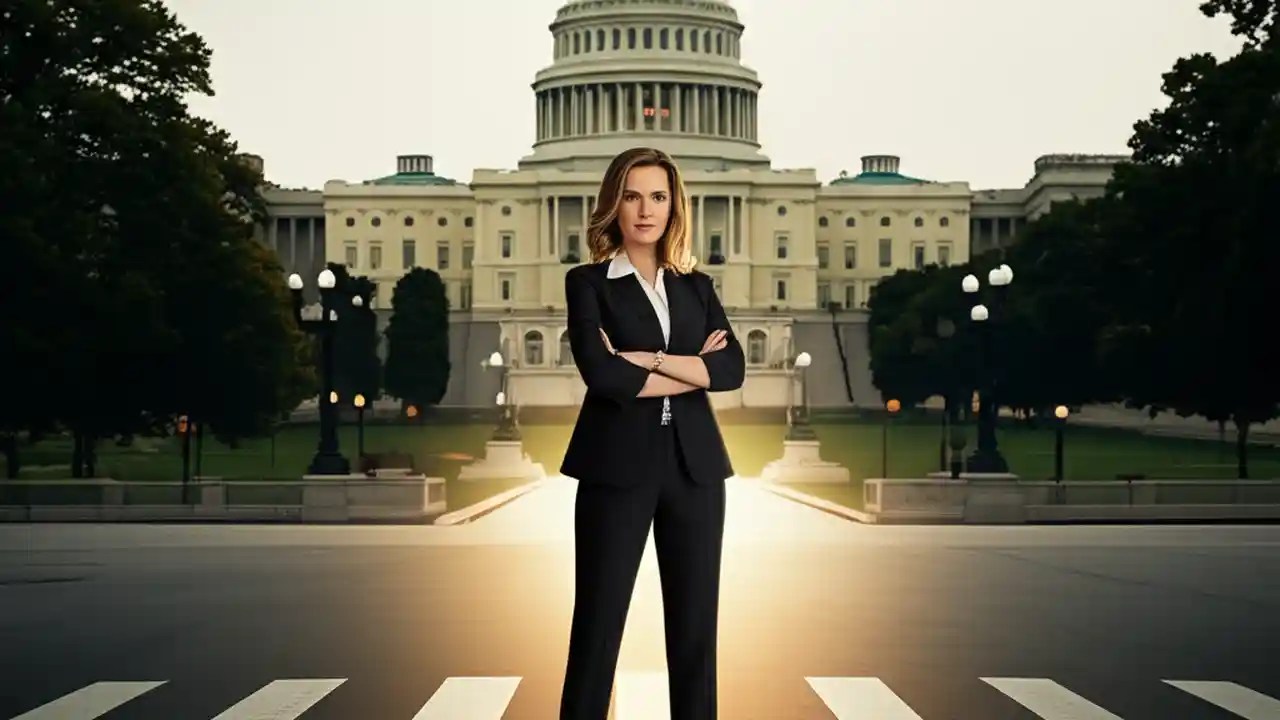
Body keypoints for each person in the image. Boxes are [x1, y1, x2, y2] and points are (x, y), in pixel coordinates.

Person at [558, 146, 745, 720]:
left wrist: (652, 359)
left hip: (696, 471)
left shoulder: (696, 286)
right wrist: (691, 368)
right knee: (598, 626)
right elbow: (604, 374)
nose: (645, 210)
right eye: (633, 196)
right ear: (614, 204)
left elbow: (732, 370)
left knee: (694, 634)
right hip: (615, 469)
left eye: (658, 197)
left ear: (674, 206)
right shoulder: (588, 282)